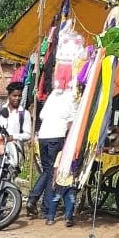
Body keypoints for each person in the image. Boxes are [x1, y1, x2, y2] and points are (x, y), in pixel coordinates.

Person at [27, 88, 76, 216]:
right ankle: (37, 200)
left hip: (43, 136)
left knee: (48, 171)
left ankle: (41, 205)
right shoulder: (71, 96)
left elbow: (42, 115)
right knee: (52, 171)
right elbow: (72, 122)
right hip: (57, 136)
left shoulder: (54, 93)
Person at [0, 81, 32, 146]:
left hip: (16, 153)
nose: (17, 98)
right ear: (9, 95)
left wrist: (13, 137)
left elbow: (28, 135)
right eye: (14, 96)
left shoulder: (25, 114)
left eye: (19, 96)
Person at [45, 150, 77, 227]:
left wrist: (53, 181)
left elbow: (56, 168)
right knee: (70, 201)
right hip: (68, 182)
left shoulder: (60, 153)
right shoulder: (72, 153)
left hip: (60, 182)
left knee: (55, 200)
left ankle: (50, 219)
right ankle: (68, 218)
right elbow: (74, 169)